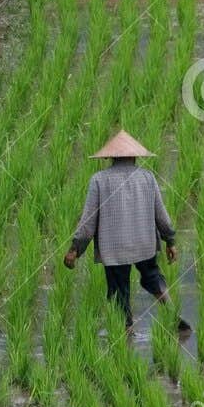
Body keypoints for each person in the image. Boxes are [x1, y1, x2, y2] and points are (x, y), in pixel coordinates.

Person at [63, 130, 191, 334]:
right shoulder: (147, 178)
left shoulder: (98, 180)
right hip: (144, 243)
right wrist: (171, 240)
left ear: (111, 156)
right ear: (134, 156)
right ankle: (169, 307)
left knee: (118, 291)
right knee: (152, 276)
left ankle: (126, 333)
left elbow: (88, 221)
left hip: (114, 249)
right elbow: (161, 214)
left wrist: (75, 249)